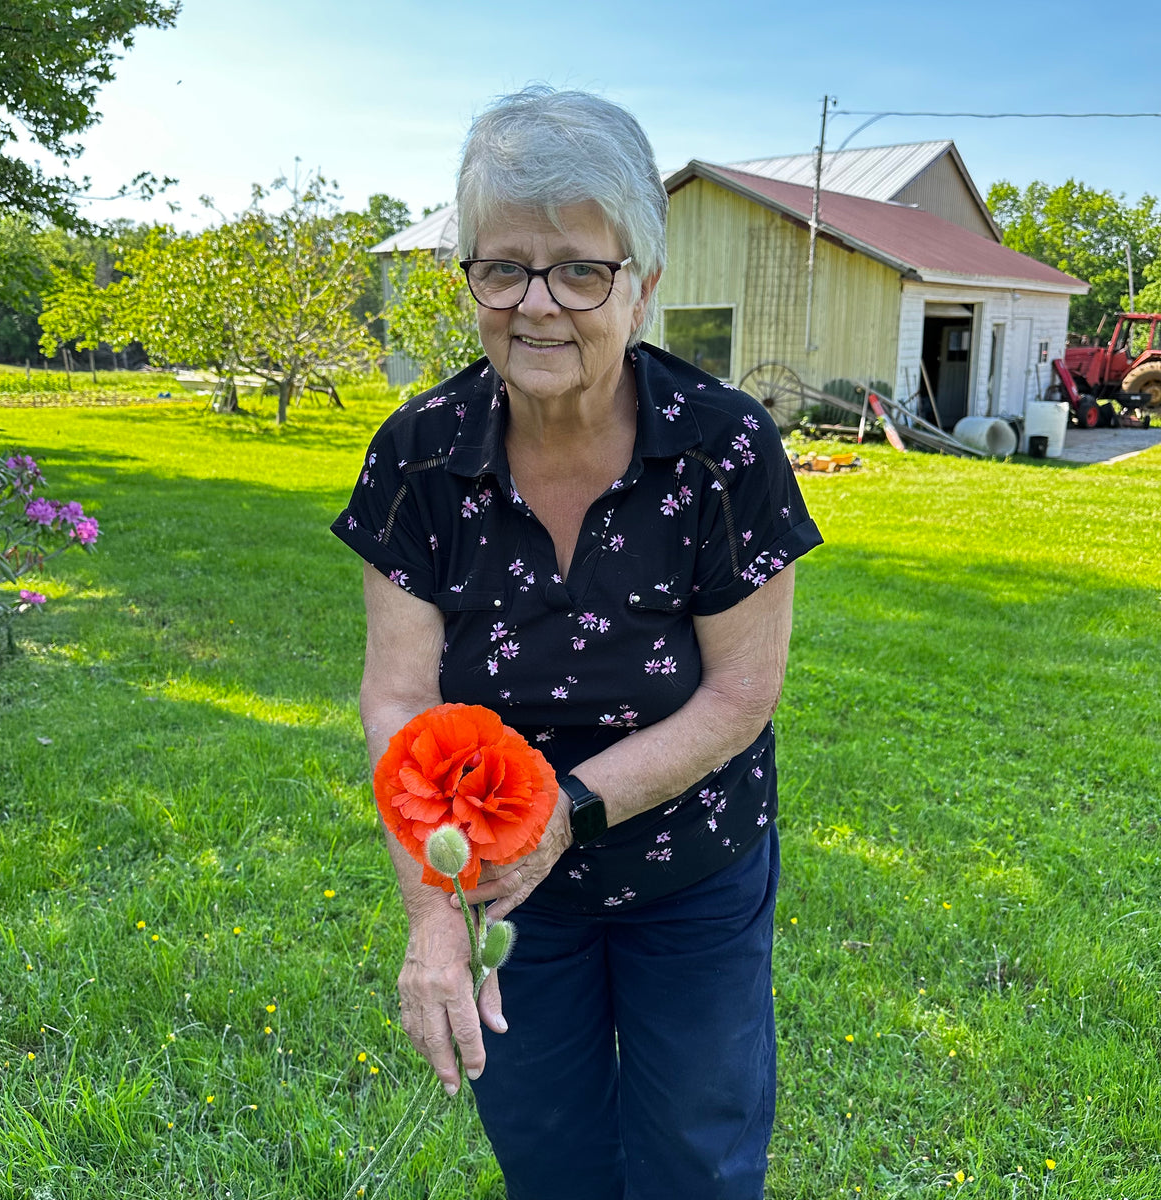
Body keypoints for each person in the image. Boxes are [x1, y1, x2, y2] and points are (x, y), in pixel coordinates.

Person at [333, 86, 822, 1200]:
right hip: (502, 885)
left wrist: (568, 809)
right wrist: (433, 911)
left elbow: (742, 696)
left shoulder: (723, 449)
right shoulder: (419, 453)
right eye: (502, 267)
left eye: (580, 270)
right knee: (546, 1154)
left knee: (697, 1156)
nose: (536, 305)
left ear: (641, 287)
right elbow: (398, 703)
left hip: (692, 863)